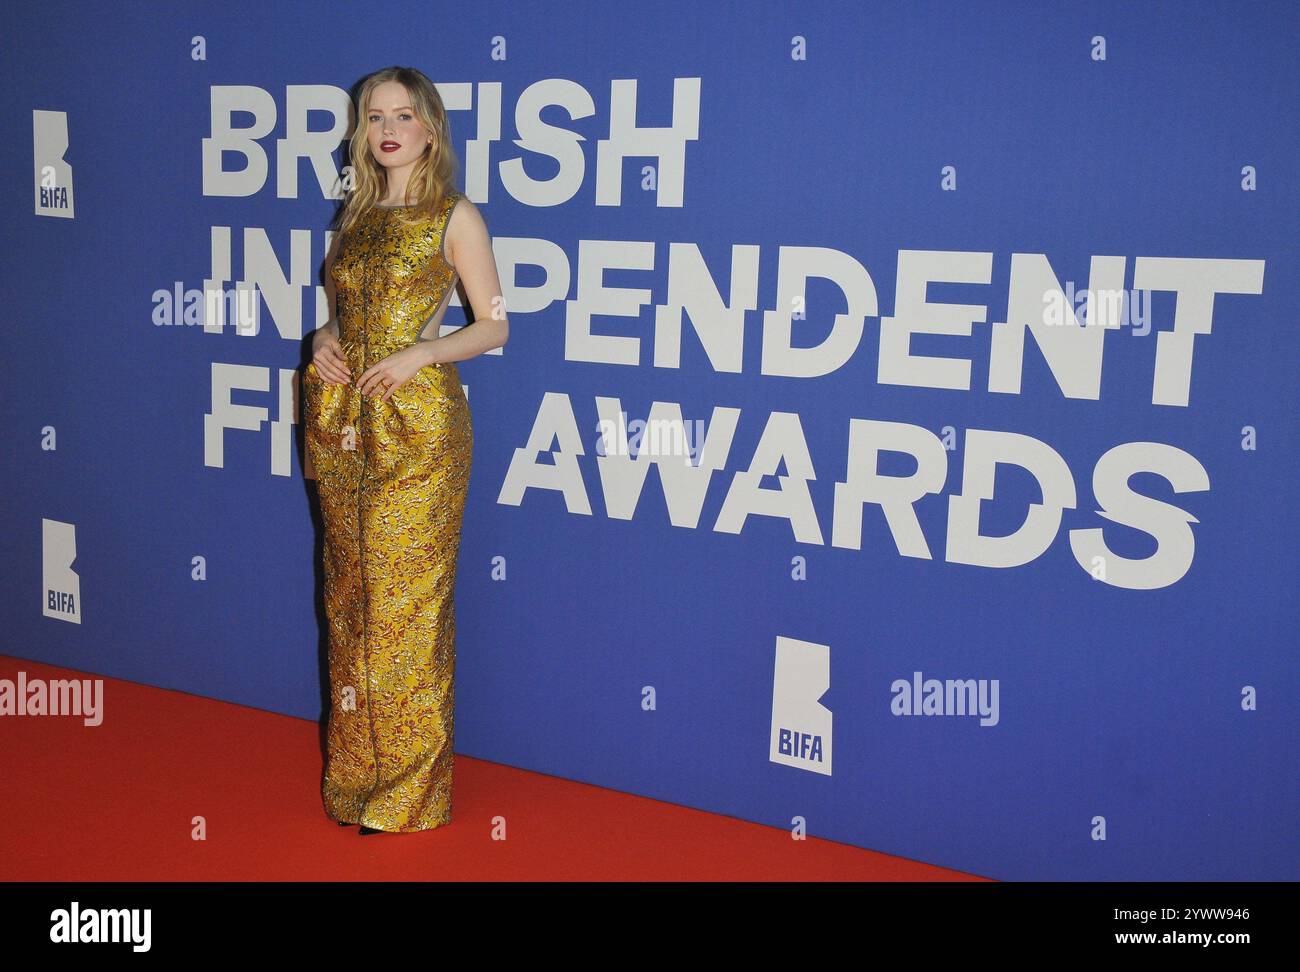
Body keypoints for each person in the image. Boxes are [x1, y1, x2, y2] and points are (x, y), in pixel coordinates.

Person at [303, 66, 508, 835]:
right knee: (350, 604)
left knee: (407, 610)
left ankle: (410, 796)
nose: (387, 129)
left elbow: (495, 324)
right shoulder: (355, 212)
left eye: (403, 115)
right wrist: (323, 341)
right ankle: (357, 782)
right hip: (346, 422)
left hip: (419, 431)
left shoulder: (455, 214)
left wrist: (422, 354)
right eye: (373, 116)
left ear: (430, 127)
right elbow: (341, 316)